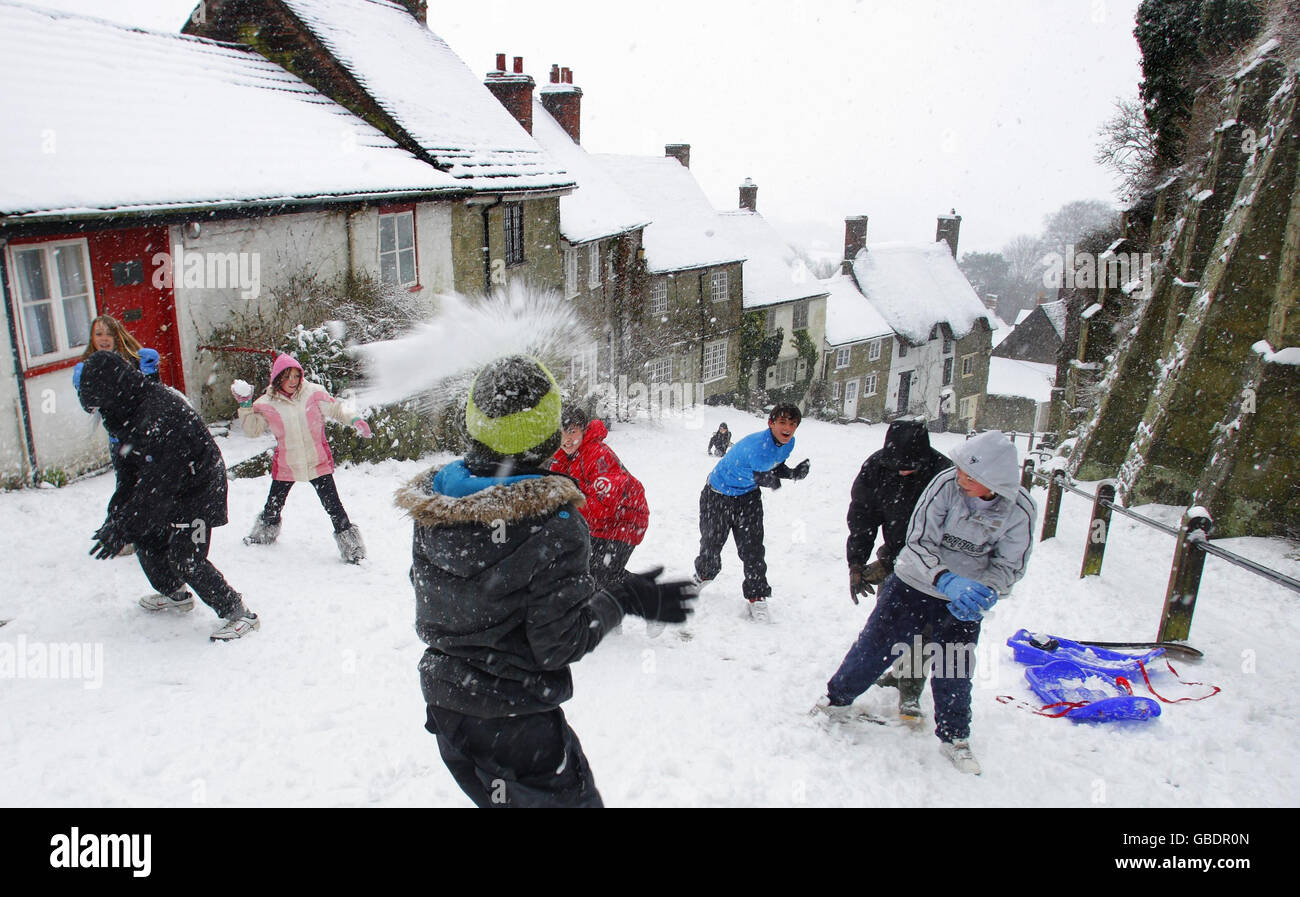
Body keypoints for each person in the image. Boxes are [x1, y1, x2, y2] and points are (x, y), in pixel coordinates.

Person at [397, 355, 694, 808]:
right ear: (551, 440)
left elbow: (440, 589)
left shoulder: (436, 502)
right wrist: (626, 595)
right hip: (514, 726)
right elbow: (558, 643)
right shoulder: (553, 525)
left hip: (446, 710)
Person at [815, 430, 1036, 775]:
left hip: (963, 601)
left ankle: (955, 737)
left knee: (955, 667)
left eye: (970, 474)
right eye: (961, 468)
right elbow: (917, 544)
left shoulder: (1018, 510)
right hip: (913, 584)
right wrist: (945, 578)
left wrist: (985, 592)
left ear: (991, 480)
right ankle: (836, 700)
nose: (959, 475)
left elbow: (1010, 566)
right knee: (875, 646)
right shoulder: (945, 485)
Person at [78, 351, 259, 641]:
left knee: (186, 556)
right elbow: (128, 478)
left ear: (112, 393)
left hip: (199, 487)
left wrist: (124, 525)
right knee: (147, 539)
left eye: (99, 407)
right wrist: (115, 519)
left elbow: (156, 488)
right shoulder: (123, 416)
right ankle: (176, 594)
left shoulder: (160, 414)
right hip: (168, 486)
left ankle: (238, 612)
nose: (99, 416)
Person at [845, 418, 953, 722]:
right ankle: (897, 672)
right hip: (895, 553)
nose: (904, 470)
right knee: (890, 619)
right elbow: (863, 519)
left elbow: (947, 532)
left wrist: (898, 562)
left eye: (911, 465)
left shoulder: (944, 476)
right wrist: (856, 563)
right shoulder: (877, 468)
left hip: (936, 562)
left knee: (924, 627)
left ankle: (910, 688)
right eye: (898, 464)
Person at [233, 353, 371, 563]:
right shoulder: (266, 403)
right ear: (278, 378)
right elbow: (253, 430)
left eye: (296, 376)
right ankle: (263, 535)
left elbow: (336, 409)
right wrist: (245, 405)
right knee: (274, 504)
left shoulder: (313, 393)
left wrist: (355, 420)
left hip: (317, 461)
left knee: (334, 506)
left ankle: (353, 549)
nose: (292, 381)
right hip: (287, 463)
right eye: (287, 376)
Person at [693, 404, 810, 623]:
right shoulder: (757, 447)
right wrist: (776, 480)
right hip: (718, 494)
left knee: (753, 549)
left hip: (747, 497)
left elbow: (774, 466)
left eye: (792, 424)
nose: (787, 428)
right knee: (712, 543)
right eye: (782, 422)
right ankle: (702, 575)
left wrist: (792, 473)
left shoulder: (788, 443)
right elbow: (763, 475)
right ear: (771, 423)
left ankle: (757, 596)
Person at [549, 406, 649, 590]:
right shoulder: (562, 457)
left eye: (572, 432)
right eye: (562, 433)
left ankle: (649, 594)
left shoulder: (598, 455)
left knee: (601, 574)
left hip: (626, 519)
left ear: (584, 430)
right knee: (583, 570)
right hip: (598, 523)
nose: (566, 439)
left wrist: (566, 509)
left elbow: (603, 507)